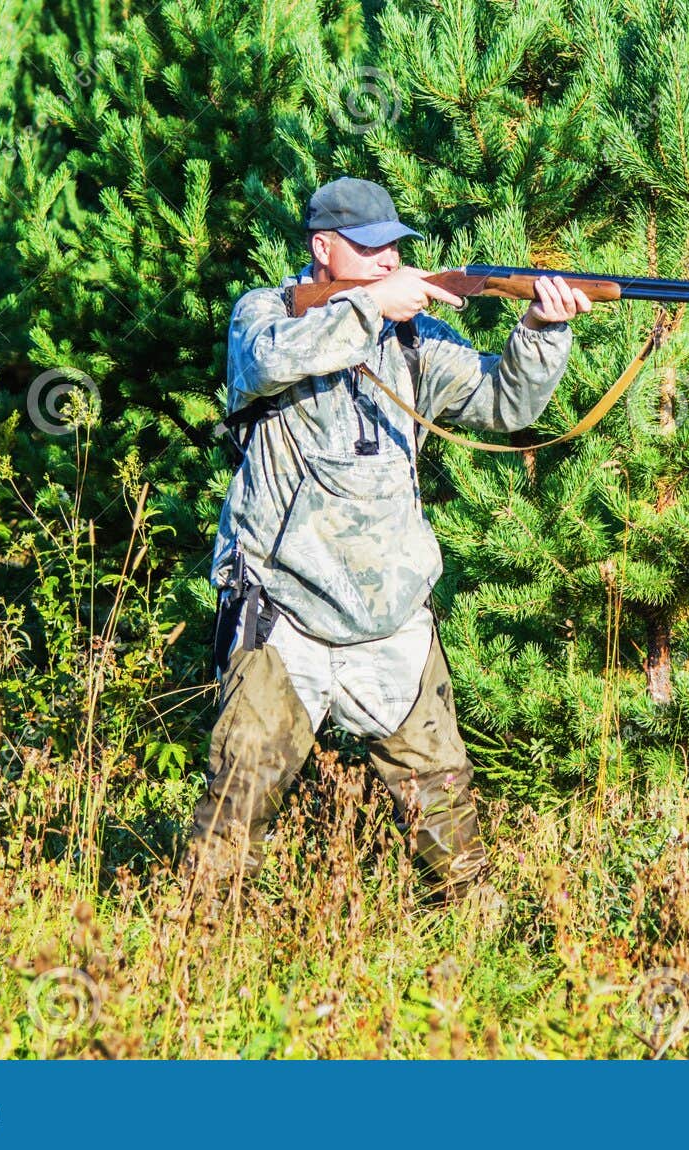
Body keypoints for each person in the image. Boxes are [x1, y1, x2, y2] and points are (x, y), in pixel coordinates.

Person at [180, 177, 591, 911]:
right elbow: (270, 361)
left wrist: (539, 331)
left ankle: (478, 952)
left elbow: (502, 404)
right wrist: (370, 306)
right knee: (236, 807)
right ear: (322, 248)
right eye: (369, 250)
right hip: (285, 612)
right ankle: (188, 958)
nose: (386, 261)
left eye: (394, 249)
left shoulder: (412, 335)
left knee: (449, 824)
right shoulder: (266, 315)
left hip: (391, 617)